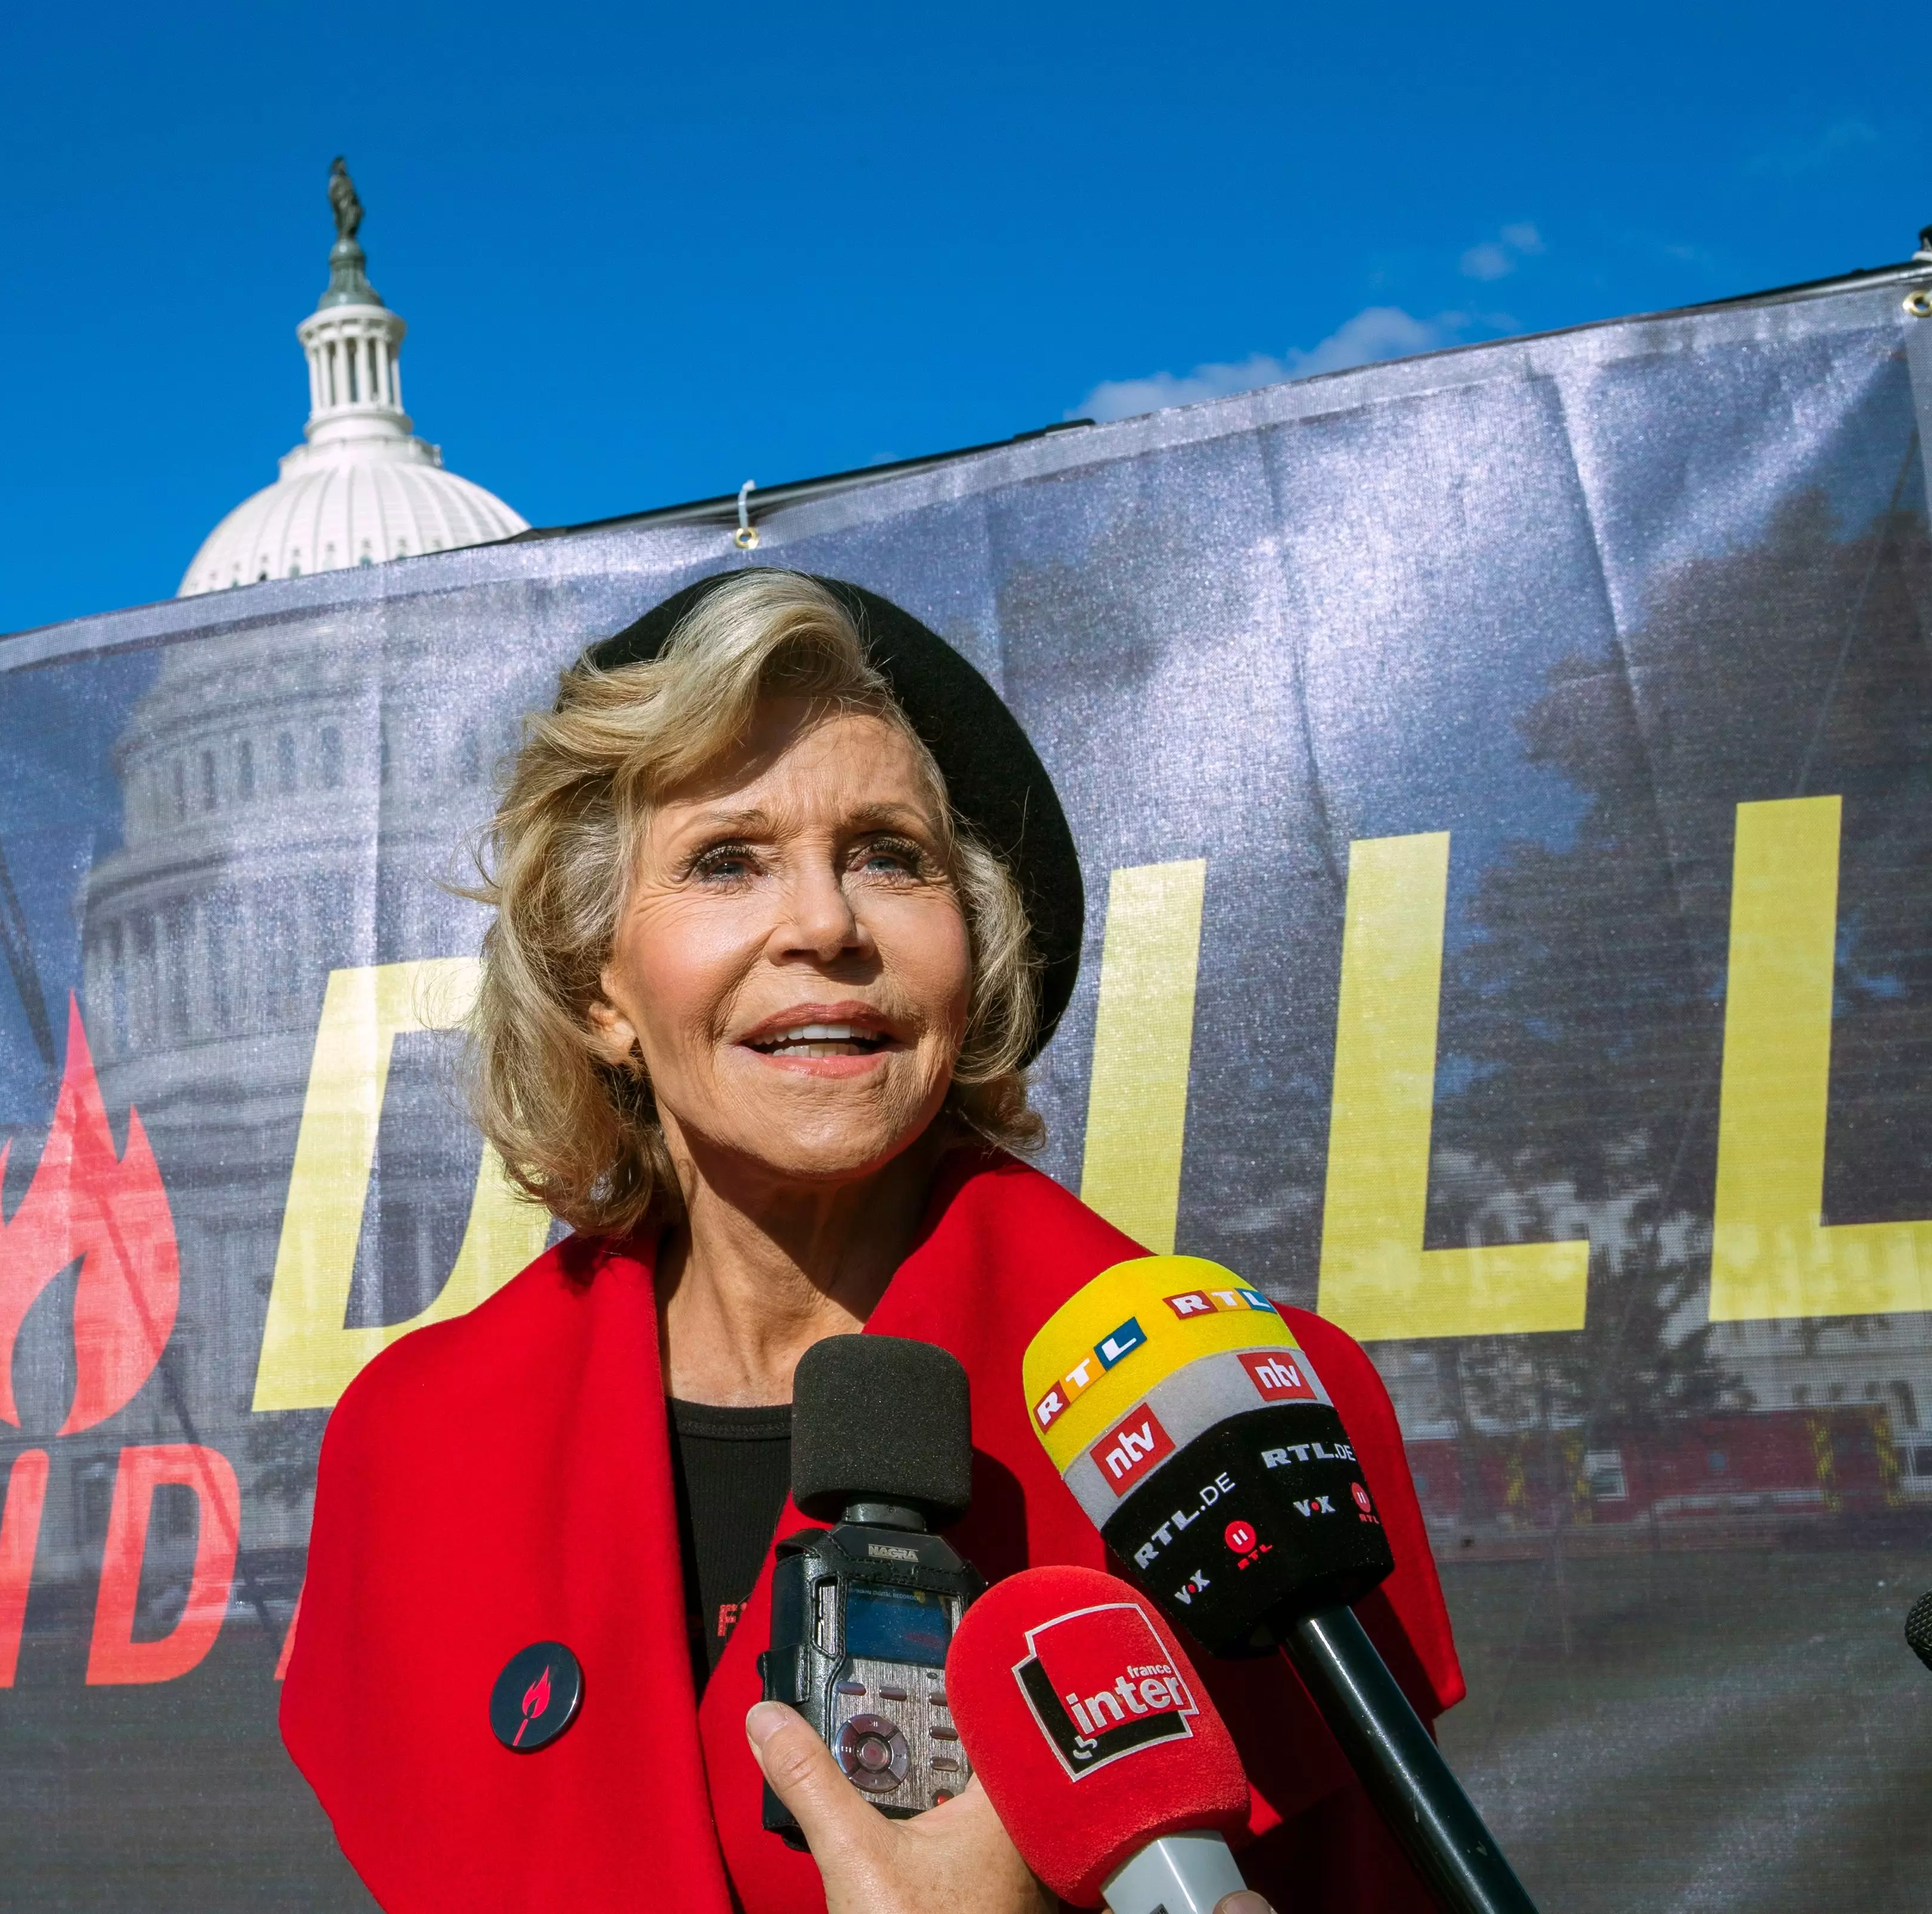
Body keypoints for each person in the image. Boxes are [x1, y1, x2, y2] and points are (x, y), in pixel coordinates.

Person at [280, 571, 1463, 1913]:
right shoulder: (417, 1445)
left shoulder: (1241, 1423)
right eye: (728, 859)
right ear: (596, 985)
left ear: (971, 948)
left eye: (888, 855)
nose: (828, 924)